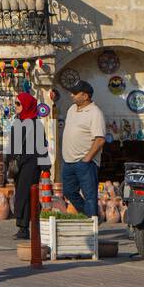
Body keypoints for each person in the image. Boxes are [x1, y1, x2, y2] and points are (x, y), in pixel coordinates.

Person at [6, 92, 52, 240]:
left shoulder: (35, 124)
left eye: (19, 104)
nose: (16, 107)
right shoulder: (19, 122)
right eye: (16, 104)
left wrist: (45, 167)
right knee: (23, 195)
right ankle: (28, 226)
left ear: (27, 105)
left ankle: (24, 228)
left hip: (30, 166)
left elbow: (42, 147)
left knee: (24, 196)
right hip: (20, 166)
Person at [61, 81, 105, 218]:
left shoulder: (95, 113)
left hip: (85, 162)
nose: (71, 95)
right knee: (68, 192)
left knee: (90, 195)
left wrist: (87, 159)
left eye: (75, 93)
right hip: (68, 161)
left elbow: (100, 139)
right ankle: (89, 217)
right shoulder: (71, 109)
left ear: (85, 96)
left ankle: (93, 232)